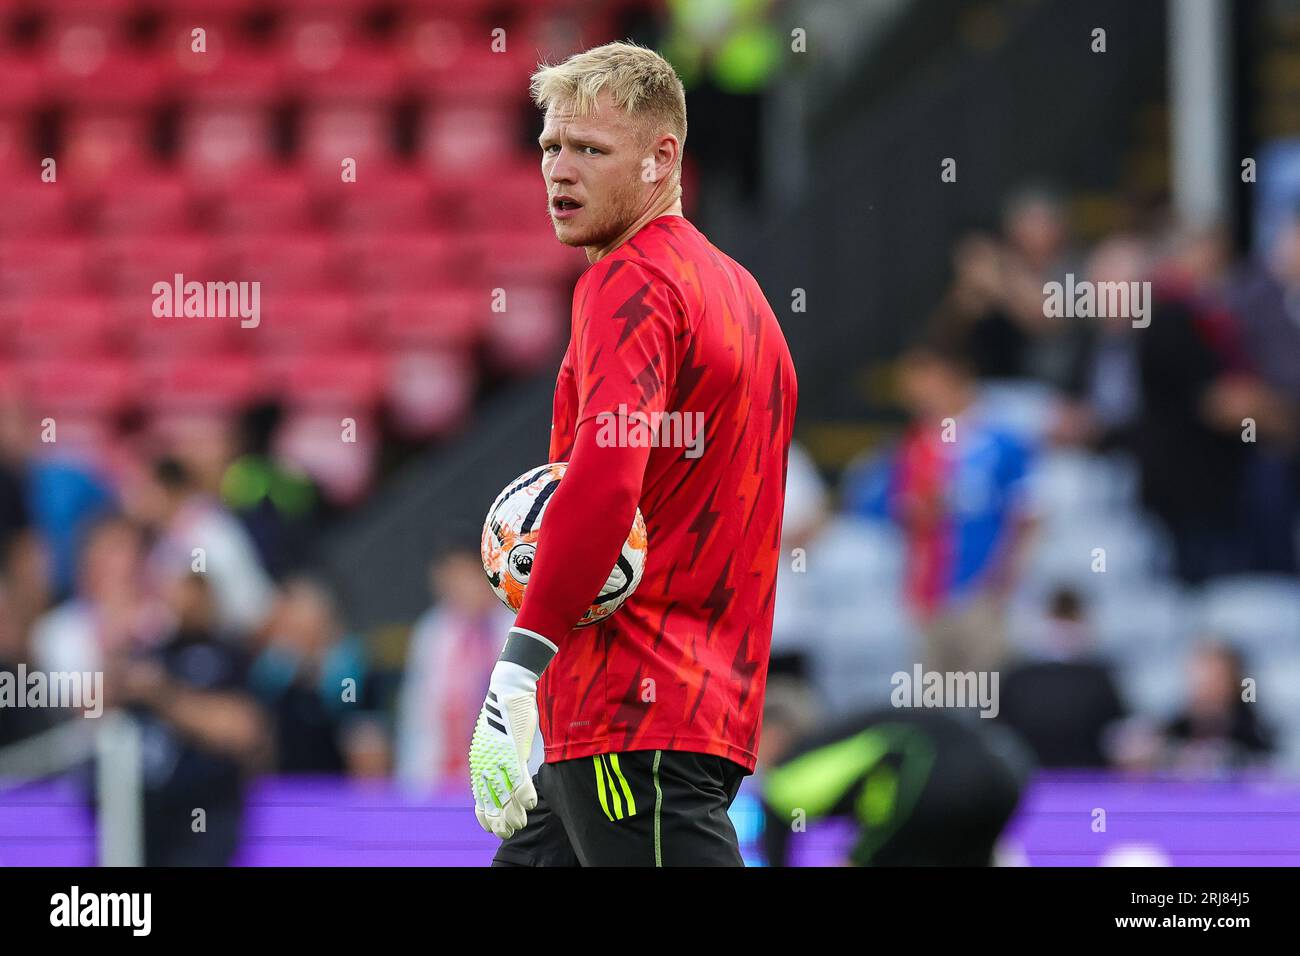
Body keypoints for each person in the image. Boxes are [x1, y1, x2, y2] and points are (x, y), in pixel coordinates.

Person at [470, 41, 798, 867]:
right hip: (687, 710)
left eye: (590, 150)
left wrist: (516, 670)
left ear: (664, 159)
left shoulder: (629, 280)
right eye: (551, 147)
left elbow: (605, 487)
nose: (560, 172)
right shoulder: (747, 299)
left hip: (633, 716)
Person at [845, 339, 1036, 674]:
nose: (911, 391)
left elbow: (1026, 517)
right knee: (933, 706)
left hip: (981, 595)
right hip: (925, 596)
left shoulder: (1001, 441)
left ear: (953, 376)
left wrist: (1002, 585)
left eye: (921, 378)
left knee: (983, 699)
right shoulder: (910, 446)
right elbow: (886, 511)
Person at [758, 680, 1032, 866]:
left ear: (774, 735)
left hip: (943, 783)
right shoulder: (847, 733)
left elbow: (778, 805)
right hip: (1007, 774)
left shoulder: (796, 765)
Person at [100, 573, 266, 866]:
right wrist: (114, 650)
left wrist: (164, 696)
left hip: (205, 819)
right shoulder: (153, 654)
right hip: (145, 817)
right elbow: (91, 711)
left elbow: (240, 729)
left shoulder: (230, 656)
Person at [395, 547, 525, 790]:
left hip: (510, 780)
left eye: (467, 575)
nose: (460, 587)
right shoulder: (431, 633)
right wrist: (413, 781)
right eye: (451, 576)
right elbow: (416, 715)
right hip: (442, 780)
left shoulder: (518, 627)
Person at [248, 576, 388, 776]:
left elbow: (369, 752)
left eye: (293, 612)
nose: (284, 623)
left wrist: (365, 805)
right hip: (286, 792)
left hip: (336, 792)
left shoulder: (353, 673)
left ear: (321, 616)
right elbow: (261, 745)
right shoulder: (272, 674)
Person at [996, 588, 1127, 768]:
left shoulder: (1099, 678)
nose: (1063, 630)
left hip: (1086, 779)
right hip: (1028, 775)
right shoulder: (1017, 678)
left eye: (1070, 620)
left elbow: (1118, 733)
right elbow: (999, 732)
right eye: (1058, 620)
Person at [1162, 641, 1273, 772]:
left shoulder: (1254, 731)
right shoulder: (1175, 728)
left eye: (1214, 680)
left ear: (1233, 682)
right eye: (1199, 680)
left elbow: (1264, 764)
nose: (1204, 689)